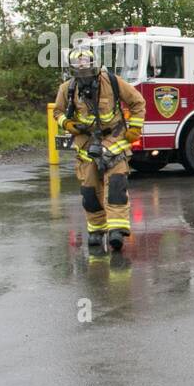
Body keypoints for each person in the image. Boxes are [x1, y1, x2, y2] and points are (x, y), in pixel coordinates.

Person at [53, 48, 146, 252]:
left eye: (87, 71)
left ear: (95, 68)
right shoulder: (67, 88)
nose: (84, 77)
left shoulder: (112, 82)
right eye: (79, 73)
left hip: (114, 140)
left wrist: (135, 129)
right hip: (86, 144)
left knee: (116, 186)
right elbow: (58, 111)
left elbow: (138, 101)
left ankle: (117, 231)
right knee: (90, 192)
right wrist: (67, 124)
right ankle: (96, 231)